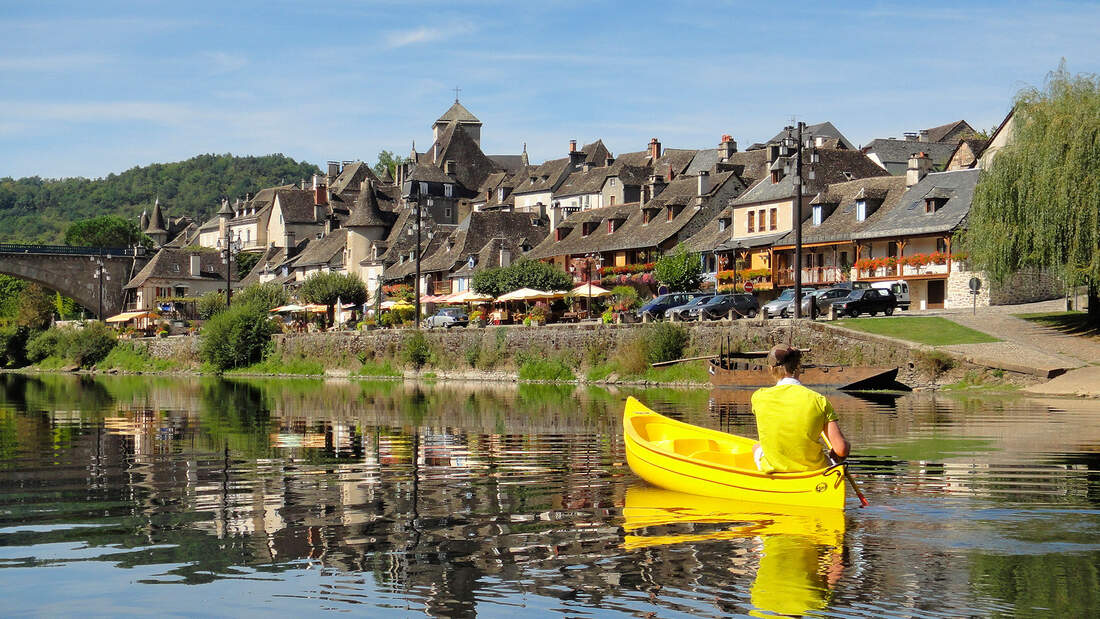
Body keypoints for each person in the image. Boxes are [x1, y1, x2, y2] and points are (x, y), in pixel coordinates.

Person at [750, 345, 849, 472]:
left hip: (774, 468)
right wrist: (846, 447)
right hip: (813, 471)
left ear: (771, 369)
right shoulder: (819, 400)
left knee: (756, 447)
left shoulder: (758, 397)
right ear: (798, 368)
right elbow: (841, 449)